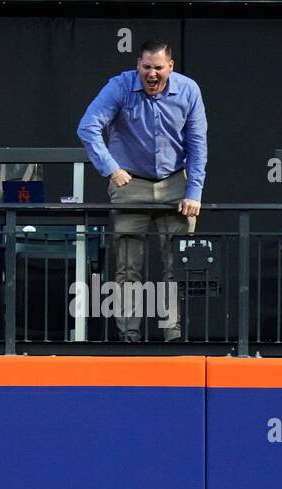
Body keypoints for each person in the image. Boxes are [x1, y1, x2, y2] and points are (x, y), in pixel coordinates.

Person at [77, 40, 207, 343]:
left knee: (177, 265)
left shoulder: (189, 90)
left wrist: (194, 191)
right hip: (130, 182)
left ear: (170, 67)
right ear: (138, 65)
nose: (151, 74)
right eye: (146, 67)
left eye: (158, 68)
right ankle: (129, 338)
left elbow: (198, 145)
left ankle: (173, 337)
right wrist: (111, 168)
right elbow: (88, 126)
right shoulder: (120, 86)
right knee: (126, 269)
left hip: (175, 181)